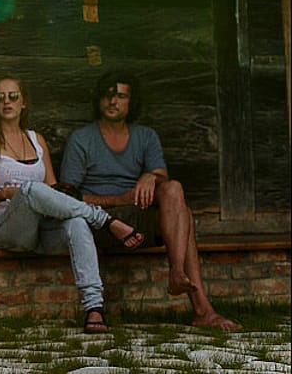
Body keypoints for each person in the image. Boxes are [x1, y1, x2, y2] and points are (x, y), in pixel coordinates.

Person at [59, 71, 240, 331]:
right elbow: (67, 197)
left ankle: (177, 273)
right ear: (99, 100)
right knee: (185, 216)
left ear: (131, 102)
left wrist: (151, 176)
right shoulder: (82, 139)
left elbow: (164, 182)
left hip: (137, 219)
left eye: (121, 96)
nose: (113, 102)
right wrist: (118, 199)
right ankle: (202, 310)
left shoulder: (145, 136)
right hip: (100, 222)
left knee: (174, 190)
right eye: (108, 96)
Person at [0, 75, 144, 333]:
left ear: (23, 102)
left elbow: (53, 189)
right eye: (0, 97)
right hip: (6, 228)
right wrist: (5, 193)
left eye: (13, 96)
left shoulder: (36, 140)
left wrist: (44, 197)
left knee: (76, 221)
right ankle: (104, 219)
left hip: (40, 230)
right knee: (30, 189)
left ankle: (94, 308)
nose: (7, 102)